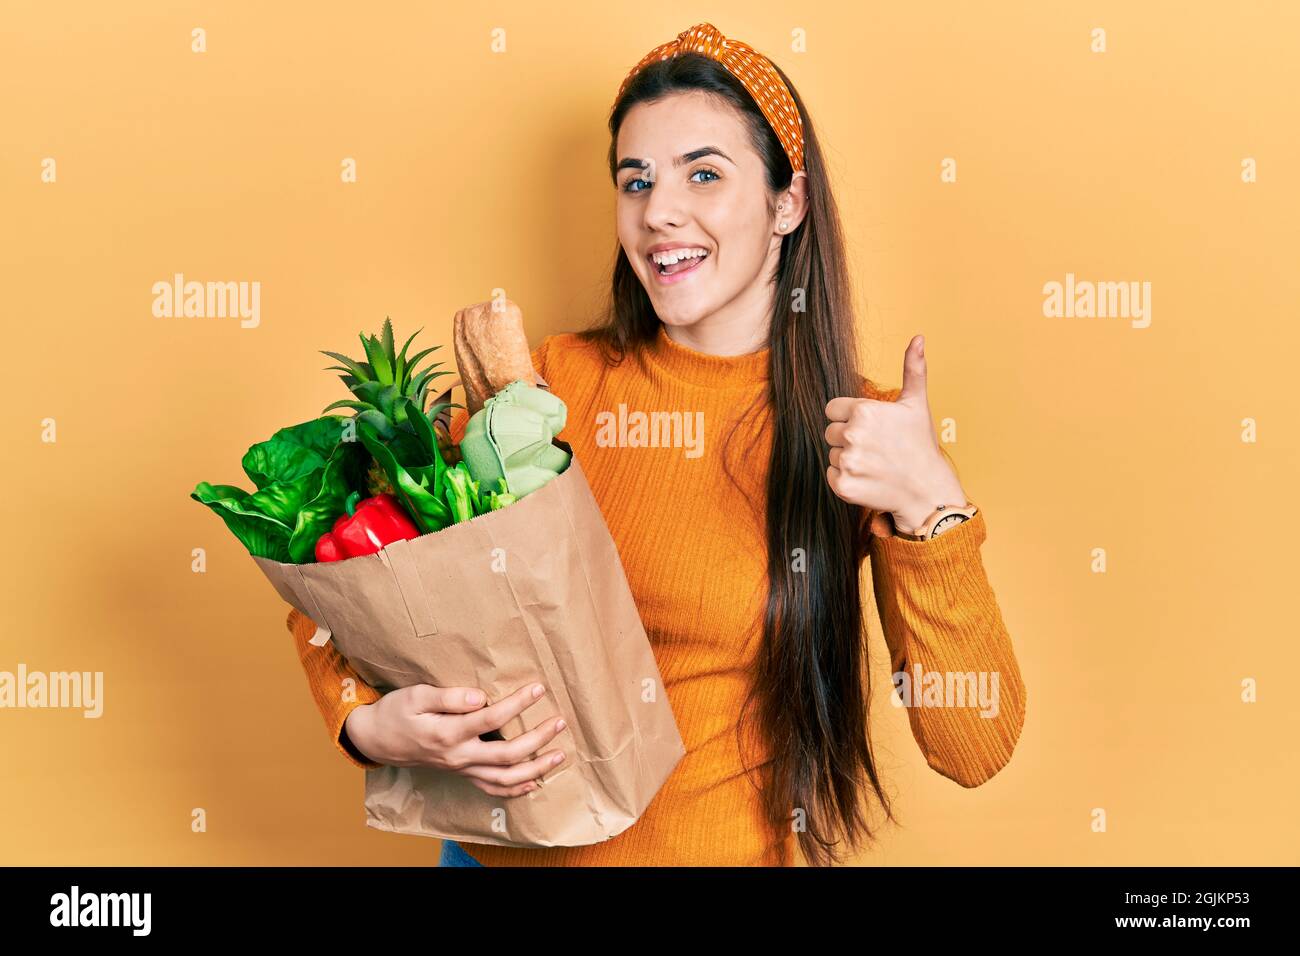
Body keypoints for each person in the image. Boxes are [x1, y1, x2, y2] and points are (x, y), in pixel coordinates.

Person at [284, 21, 1026, 867]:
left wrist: (929, 506)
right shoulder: (540, 391)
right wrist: (368, 724)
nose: (658, 212)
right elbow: (339, 587)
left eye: (703, 174)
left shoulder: (864, 434)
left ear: (789, 203)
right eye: (634, 181)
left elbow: (975, 745)